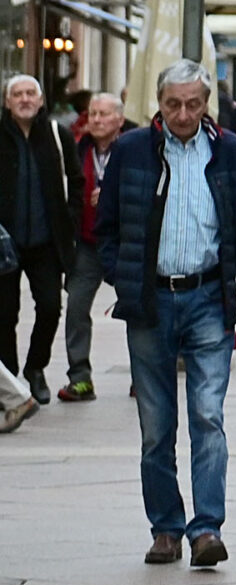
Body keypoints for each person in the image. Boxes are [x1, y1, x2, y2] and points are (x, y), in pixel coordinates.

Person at [93, 60, 236, 567]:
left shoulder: (231, 152)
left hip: (209, 298)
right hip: (150, 302)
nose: (184, 113)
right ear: (158, 103)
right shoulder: (131, 151)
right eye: (174, 104)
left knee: (208, 417)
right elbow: (105, 229)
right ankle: (166, 528)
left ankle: (207, 528)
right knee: (156, 425)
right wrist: (122, 275)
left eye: (194, 104)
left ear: (207, 103)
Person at [59, 90, 135, 404]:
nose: (97, 120)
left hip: (125, 243)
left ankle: (143, 376)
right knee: (76, 307)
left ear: (119, 119)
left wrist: (114, 197)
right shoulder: (77, 151)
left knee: (137, 310)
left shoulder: (134, 150)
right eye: (93, 114)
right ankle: (79, 377)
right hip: (88, 243)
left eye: (104, 114)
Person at [0, 74, 70, 400]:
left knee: (51, 307)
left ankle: (35, 367)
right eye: (18, 94)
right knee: (4, 314)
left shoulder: (57, 135)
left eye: (31, 94)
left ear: (41, 101)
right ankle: (10, 379)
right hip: (5, 244)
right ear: (7, 102)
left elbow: (78, 184)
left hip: (46, 242)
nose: (25, 99)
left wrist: (70, 231)